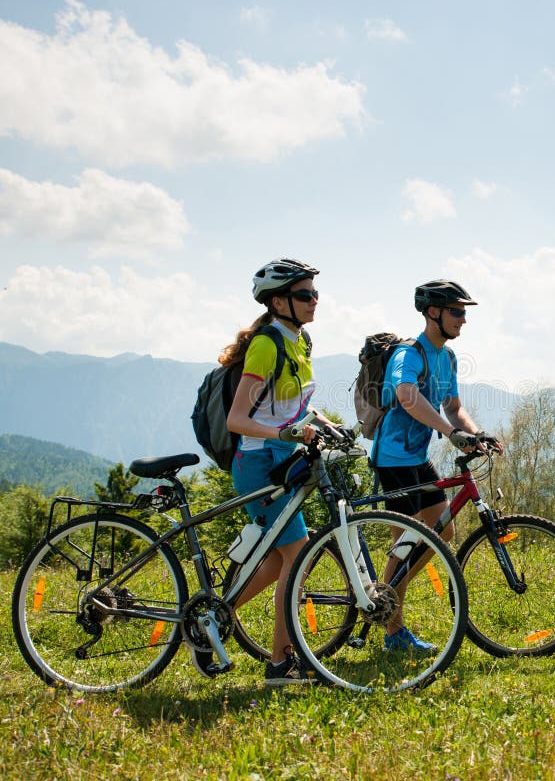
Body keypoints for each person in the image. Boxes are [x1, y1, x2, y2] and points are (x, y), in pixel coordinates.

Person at [191, 258, 339, 685]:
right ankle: (280, 664)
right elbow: (239, 419)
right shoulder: (266, 345)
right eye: (304, 294)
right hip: (258, 464)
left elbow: (292, 403)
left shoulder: (300, 340)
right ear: (278, 302)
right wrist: (290, 433)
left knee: (280, 560)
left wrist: (325, 423)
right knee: (298, 555)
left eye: (314, 293)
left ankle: (214, 622)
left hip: (282, 461)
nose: (314, 301)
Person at [371, 279, 503, 650]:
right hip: (393, 459)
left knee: (441, 531)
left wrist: (475, 434)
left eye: (464, 312)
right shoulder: (409, 354)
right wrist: (449, 433)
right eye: (456, 312)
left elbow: (454, 407)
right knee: (404, 541)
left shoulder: (447, 358)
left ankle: (388, 593)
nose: (463, 319)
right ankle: (392, 630)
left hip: (417, 457)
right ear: (433, 313)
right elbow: (407, 397)